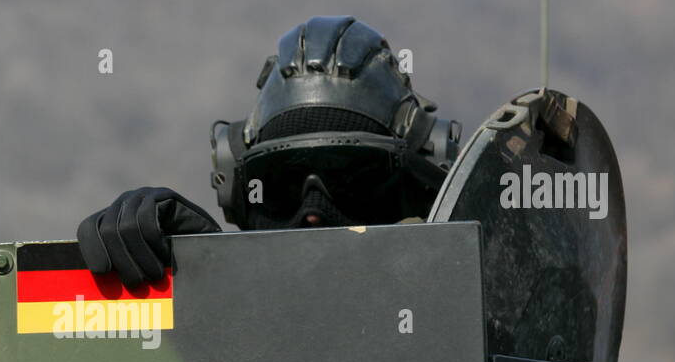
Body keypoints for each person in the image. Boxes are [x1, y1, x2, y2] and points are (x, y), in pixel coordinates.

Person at [76, 16, 462, 289]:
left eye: (351, 180)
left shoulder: (476, 316)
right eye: (282, 183)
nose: (312, 214)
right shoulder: (227, 324)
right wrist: (200, 280)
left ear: (422, 189)